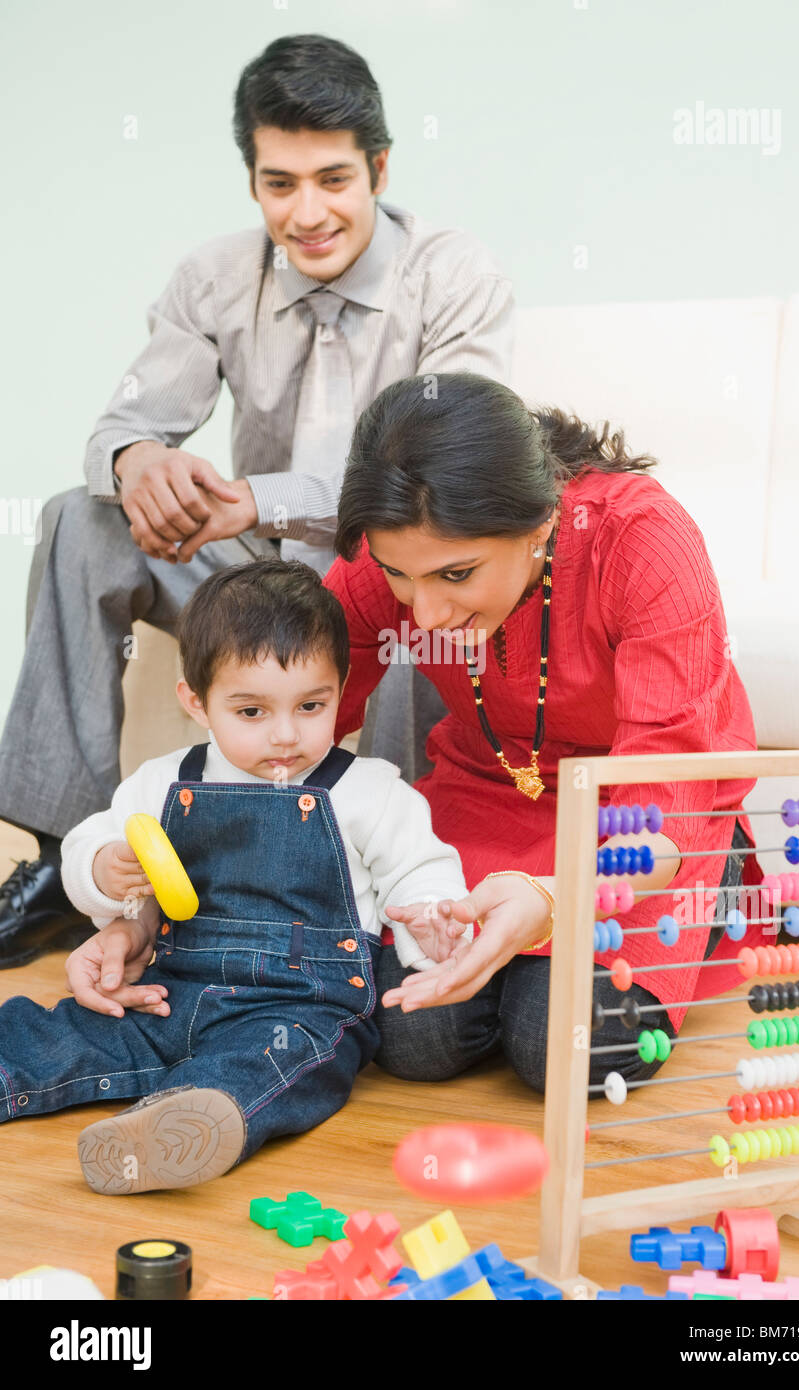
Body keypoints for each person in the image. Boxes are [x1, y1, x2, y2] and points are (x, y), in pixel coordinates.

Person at [0, 33, 513, 967]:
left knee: (417, 605)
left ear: (379, 167)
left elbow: (447, 469)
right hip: (251, 584)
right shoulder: (213, 275)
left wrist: (259, 499)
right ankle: (66, 862)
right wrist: (141, 460)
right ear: (252, 182)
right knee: (82, 519)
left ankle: (393, 890)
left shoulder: (451, 274)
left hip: (382, 572)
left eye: (332, 179)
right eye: (280, 184)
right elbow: (117, 427)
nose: (308, 212)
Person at [324, 372, 765, 1093]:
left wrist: (554, 898)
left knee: (560, 1047)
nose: (425, 613)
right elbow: (293, 726)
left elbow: (659, 807)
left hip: (640, 825)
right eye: (400, 577)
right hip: (481, 799)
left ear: (538, 525)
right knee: (413, 1035)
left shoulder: (644, 543)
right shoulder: (396, 551)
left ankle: (723, 887)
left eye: (456, 574)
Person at [0, 559, 471, 1193]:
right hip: (169, 990)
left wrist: (433, 922)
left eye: (311, 705)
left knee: (275, 1066)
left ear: (342, 686)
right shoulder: (164, 780)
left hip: (300, 1006)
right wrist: (103, 869)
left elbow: (422, 869)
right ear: (196, 700)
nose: (286, 735)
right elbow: (93, 842)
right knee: (56, 1032)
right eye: (251, 712)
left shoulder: (367, 789)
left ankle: (178, 1126)